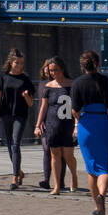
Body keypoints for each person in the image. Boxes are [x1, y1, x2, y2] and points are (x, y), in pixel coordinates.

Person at [71, 50, 108, 215]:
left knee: (91, 169)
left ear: (83, 67)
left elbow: (75, 110)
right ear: (98, 64)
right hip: (103, 122)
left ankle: (97, 206)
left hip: (86, 123)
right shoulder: (107, 81)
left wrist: (80, 118)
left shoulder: (77, 83)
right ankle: (102, 195)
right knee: (104, 167)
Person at [35, 57, 79, 195]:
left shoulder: (72, 85)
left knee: (68, 156)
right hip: (52, 125)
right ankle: (56, 186)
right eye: (51, 71)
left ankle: (74, 176)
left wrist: (77, 125)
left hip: (68, 125)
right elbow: (43, 107)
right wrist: (37, 125)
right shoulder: (48, 87)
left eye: (56, 70)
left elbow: (78, 107)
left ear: (63, 69)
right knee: (54, 155)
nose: (53, 73)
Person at [0, 49, 34, 189]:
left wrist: (27, 95)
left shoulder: (25, 79)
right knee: (9, 145)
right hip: (5, 114)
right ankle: (19, 171)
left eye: (21, 63)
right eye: (17, 62)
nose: (19, 65)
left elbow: (31, 103)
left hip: (20, 114)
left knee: (15, 143)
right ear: (10, 62)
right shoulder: (3, 76)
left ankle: (15, 178)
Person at [36, 61, 54, 189]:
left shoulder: (57, 84)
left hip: (56, 120)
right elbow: (41, 106)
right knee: (46, 149)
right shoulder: (42, 84)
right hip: (44, 120)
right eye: (46, 70)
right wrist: (39, 121)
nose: (47, 72)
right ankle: (46, 180)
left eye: (50, 70)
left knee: (58, 151)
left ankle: (60, 180)